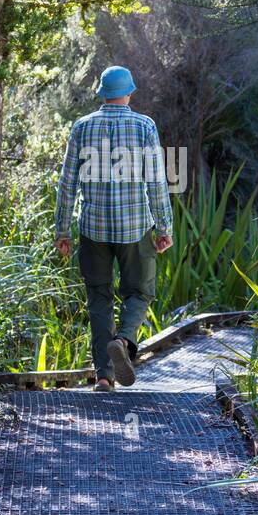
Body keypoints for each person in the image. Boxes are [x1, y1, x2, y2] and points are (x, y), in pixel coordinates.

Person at [54, 66, 173, 392]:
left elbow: (67, 183)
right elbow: (156, 181)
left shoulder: (83, 127)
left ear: (102, 94)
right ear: (129, 92)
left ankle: (104, 376)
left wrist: (62, 231)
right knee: (140, 291)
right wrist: (164, 227)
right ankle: (124, 339)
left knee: (99, 298)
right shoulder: (144, 126)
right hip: (135, 229)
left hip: (93, 230)